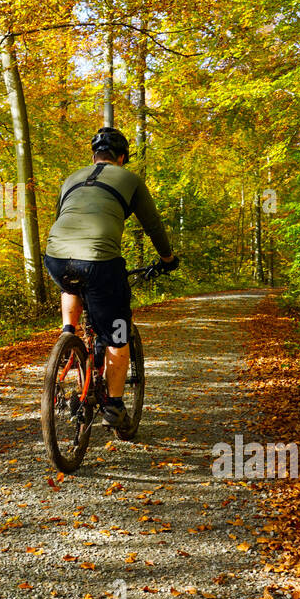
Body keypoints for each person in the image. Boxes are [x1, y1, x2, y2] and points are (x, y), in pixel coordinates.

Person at [43, 127, 178, 430]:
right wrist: (168, 259)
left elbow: (61, 219)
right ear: (121, 157)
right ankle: (115, 406)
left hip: (55, 257)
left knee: (71, 281)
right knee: (118, 331)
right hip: (101, 263)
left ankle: (68, 334)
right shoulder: (129, 179)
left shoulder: (71, 179)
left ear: (93, 156)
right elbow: (153, 226)